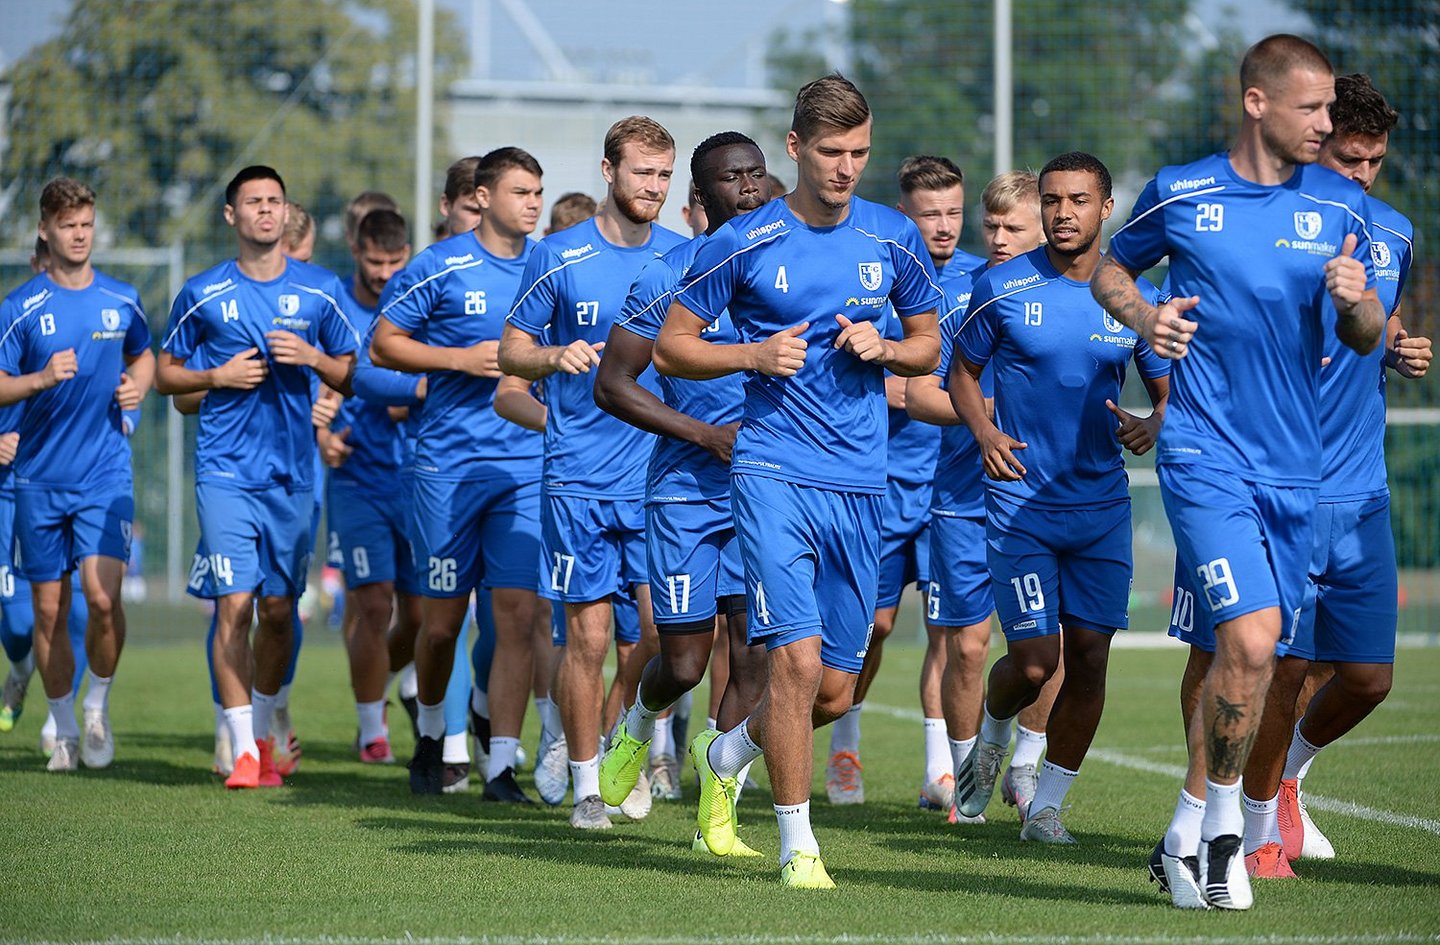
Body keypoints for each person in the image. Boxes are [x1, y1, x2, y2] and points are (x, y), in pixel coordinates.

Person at [1093, 35, 1384, 909]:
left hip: (1300, 472)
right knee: (1250, 642)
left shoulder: (1340, 203)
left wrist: (1355, 303)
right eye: (1311, 107)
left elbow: (1368, 332)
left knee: (1253, 663)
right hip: (1203, 455)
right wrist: (1146, 317)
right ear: (1257, 102)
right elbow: (1111, 269)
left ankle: (1183, 834)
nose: (1326, 123)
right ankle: (1226, 841)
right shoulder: (1183, 191)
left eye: (1329, 108)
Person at [654, 74, 941, 888]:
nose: (846, 167)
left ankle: (724, 753)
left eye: (859, 152)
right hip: (772, 470)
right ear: (795, 147)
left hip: (861, 482)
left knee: (834, 690)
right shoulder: (745, 240)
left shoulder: (892, 237)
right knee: (796, 662)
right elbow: (672, 346)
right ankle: (797, 846)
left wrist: (888, 350)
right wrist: (751, 353)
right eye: (830, 151)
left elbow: (928, 344)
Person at [950, 152, 1169, 846]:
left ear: (1107, 208)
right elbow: (961, 372)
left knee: (1092, 657)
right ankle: (993, 731)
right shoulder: (1002, 285)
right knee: (1037, 661)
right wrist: (984, 431)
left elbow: (1170, 392)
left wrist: (1154, 424)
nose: (1063, 212)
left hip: (1101, 507)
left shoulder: (1133, 297)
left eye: (1078, 200)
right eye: (1052, 200)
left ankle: (1045, 807)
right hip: (1021, 504)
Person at [500, 117, 686, 830]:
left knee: (660, 638)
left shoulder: (684, 256)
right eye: (643, 172)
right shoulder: (558, 254)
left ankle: (619, 747)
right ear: (609, 171)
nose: (654, 186)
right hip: (578, 481)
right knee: (588, 640)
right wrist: (554, 356)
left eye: (664, 174)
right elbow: (511, 352)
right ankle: (586, 787)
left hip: (659, 482)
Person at [593, 131, 771, 850]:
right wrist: (704, 436)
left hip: (765, 494)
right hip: (685, 497)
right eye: (731, 177)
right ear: (700, 196)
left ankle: (716, 815)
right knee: (686, 663)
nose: (748, 187)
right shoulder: (668, 274)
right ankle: (636, 726)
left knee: (754, 655)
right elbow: (613, 384)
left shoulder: (789, 268)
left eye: (757, 173)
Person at [157, 165, 358, 789]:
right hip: (224, 474)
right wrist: (215, 377)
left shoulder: (320, 290)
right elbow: (165, 374)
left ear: (285, 210)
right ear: (232, 215)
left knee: (277, 611)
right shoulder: (203, 291)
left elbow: (354, 370)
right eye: (253, 201)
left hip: (293, 478)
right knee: (235, 604)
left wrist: (315, 360)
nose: (266, 210)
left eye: (274, 200)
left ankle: (265, 731)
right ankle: (243, 749)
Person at [373, 147, 547, 802]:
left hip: (524, 467)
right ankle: (429, 732)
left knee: (515, 618)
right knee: (442, 623)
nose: (533, 203)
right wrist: (457, 359)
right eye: (520, 192)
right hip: (447, 468)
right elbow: (383, 343)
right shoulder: (440, 265)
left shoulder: (550, 264)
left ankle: (500, 765)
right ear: (483, 196)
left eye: (538, 192)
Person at [824, 154, 986, 809]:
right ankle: (844, 746)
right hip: (883, 484)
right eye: (929, 215)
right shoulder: (879, 272)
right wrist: (895, 381)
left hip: (953, 488)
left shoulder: (984, 277)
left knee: (948, 631)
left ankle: (939, 772)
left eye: (953, 212)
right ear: (904, 215)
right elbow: (851, 362)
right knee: (876, 626)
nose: (943, 226)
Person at [905, 170, 1061, 826]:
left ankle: (1023, 764)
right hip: (963, 501)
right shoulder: (962, 300)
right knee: (967, 648)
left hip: (1042, 499)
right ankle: (965, 787)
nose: (996, 238)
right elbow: (918, 394)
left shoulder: (1073, 298)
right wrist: (987, 413)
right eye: (990, 225)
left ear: (1042, 232)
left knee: (1048, 646)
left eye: (1012, 227)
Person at [0, 177, 153, 771]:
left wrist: (136, 390)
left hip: (104, 476)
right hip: (38, 481)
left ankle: (96, 706)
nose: (80, 235)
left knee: (103, 598)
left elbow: (146, 355)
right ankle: (62, 727)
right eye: (68, 226)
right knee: (47, 612)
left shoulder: (121, 298)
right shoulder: (20, 307)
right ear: (45, 230)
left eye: (87, 224)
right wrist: (39, 379)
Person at [324, 207, 414, 763]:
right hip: (357, 481)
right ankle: (370, 729)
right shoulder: (333, 305)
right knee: (375, 605)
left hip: (417, 478)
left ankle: (380, 683)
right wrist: (322, 435)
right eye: (374, 262)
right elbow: (317, 379)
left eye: (393, 262)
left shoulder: (417, 299)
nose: (383, 274)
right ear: (357, 253)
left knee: (424, 616)